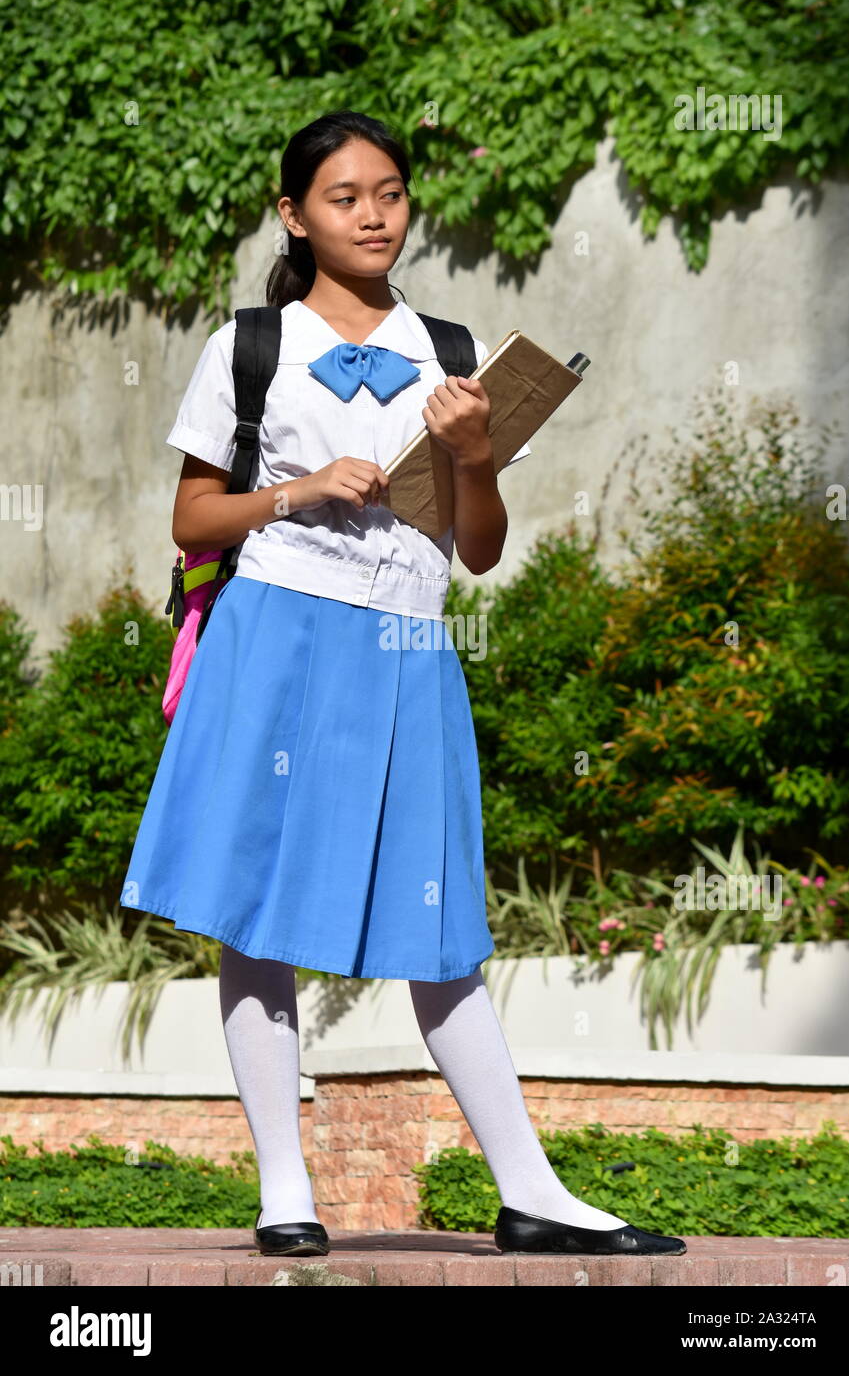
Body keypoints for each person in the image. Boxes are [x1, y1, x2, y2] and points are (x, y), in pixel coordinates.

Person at [119, 110, 686, 1260]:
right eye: (343, 196)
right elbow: (190, 516)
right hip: (275, 640)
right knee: (252, 910)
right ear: (294, 215)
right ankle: (286, 1188)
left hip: (409, 650)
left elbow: (476, 549)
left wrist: (473, 454)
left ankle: (528, 1191)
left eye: (389, 191)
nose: (373, 213)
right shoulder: (249, 348)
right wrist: (300, 488)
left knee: (441, 924)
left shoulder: (453, 347)